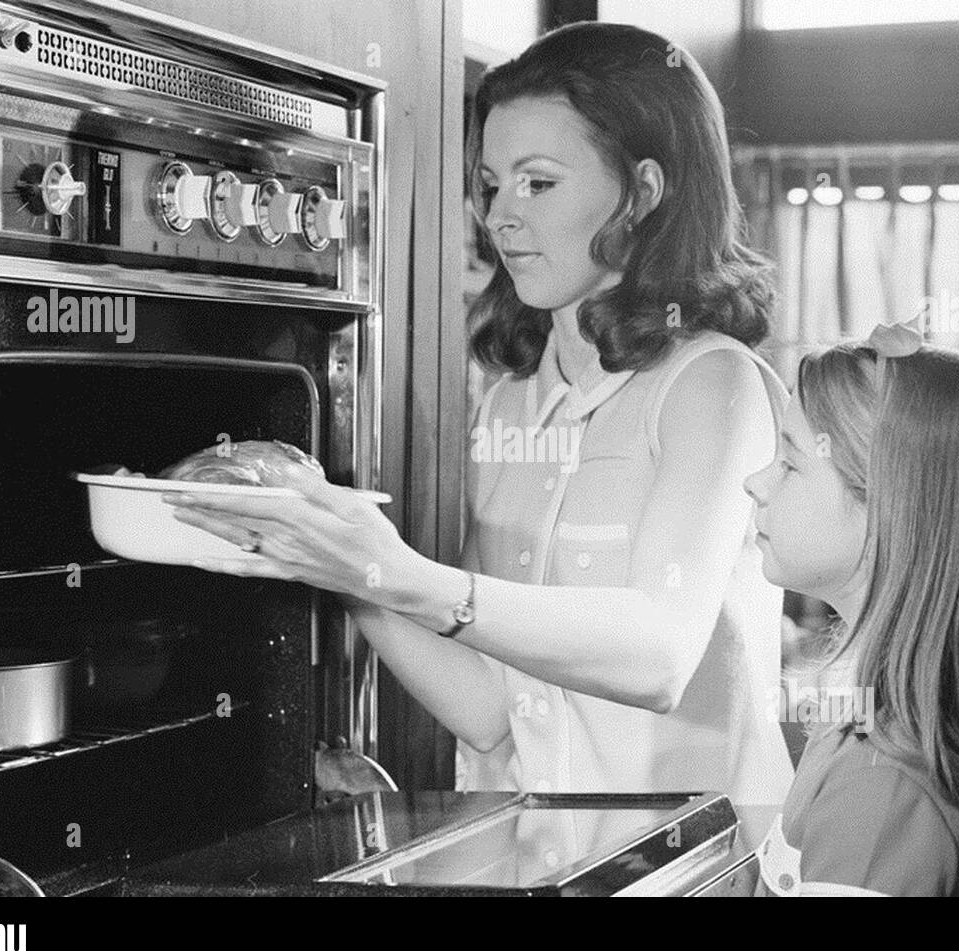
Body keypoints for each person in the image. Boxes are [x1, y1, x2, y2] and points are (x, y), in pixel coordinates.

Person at [164, 21, 794, 810]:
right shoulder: (510, 404)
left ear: (642, 193)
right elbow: (493, 713)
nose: (499, 218)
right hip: (549, 863)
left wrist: (402, 572)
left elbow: (658, 656)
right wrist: (340, 569)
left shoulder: (714, 386)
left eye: (538, 183)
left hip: (702, 868)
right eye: (492, 185)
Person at [742, 319, 959, 896]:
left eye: (790, 462)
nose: (755, 481)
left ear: (891, 512)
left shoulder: (881, 782)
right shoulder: (887, 729)